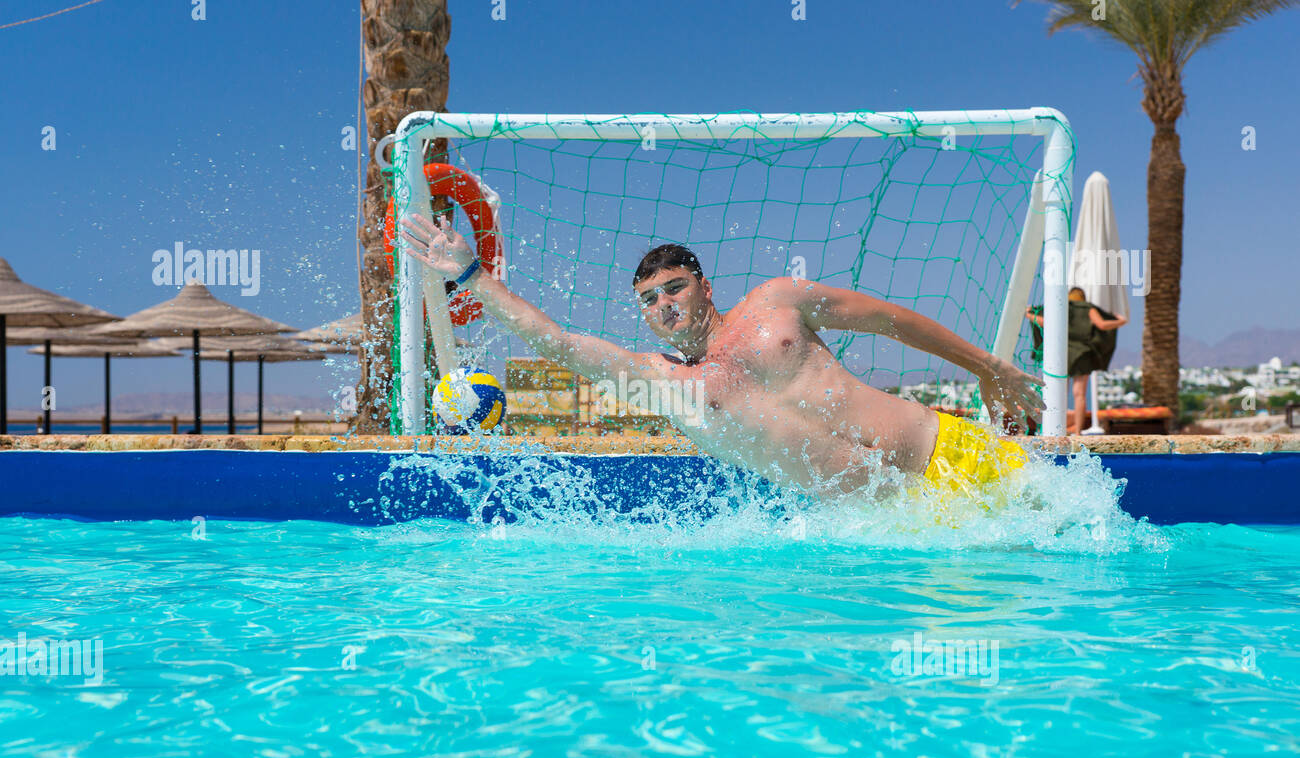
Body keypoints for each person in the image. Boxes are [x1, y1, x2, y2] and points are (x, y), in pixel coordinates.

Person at [401, 214, 1043, 497]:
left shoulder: (776, 304)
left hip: (944, 449)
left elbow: (889, 320)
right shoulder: (662, 382)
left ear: (705, 286)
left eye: (675, 288)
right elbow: (559, 343)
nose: (664, 306)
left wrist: (989, 367)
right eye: (649, 300)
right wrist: (473, 279)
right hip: (892, 527)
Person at [1025, 287, 1126, 434]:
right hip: (1082, 354)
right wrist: (1120, 321)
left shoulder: (1060, 308)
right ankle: (1078, 432)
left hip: (1061, 354)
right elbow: (1102, 325)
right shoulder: (1087, 308)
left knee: (1059, 392)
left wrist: (1028, 314)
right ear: (1083, 298)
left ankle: (1055, 429)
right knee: (1079, 394)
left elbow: (1044, 322)